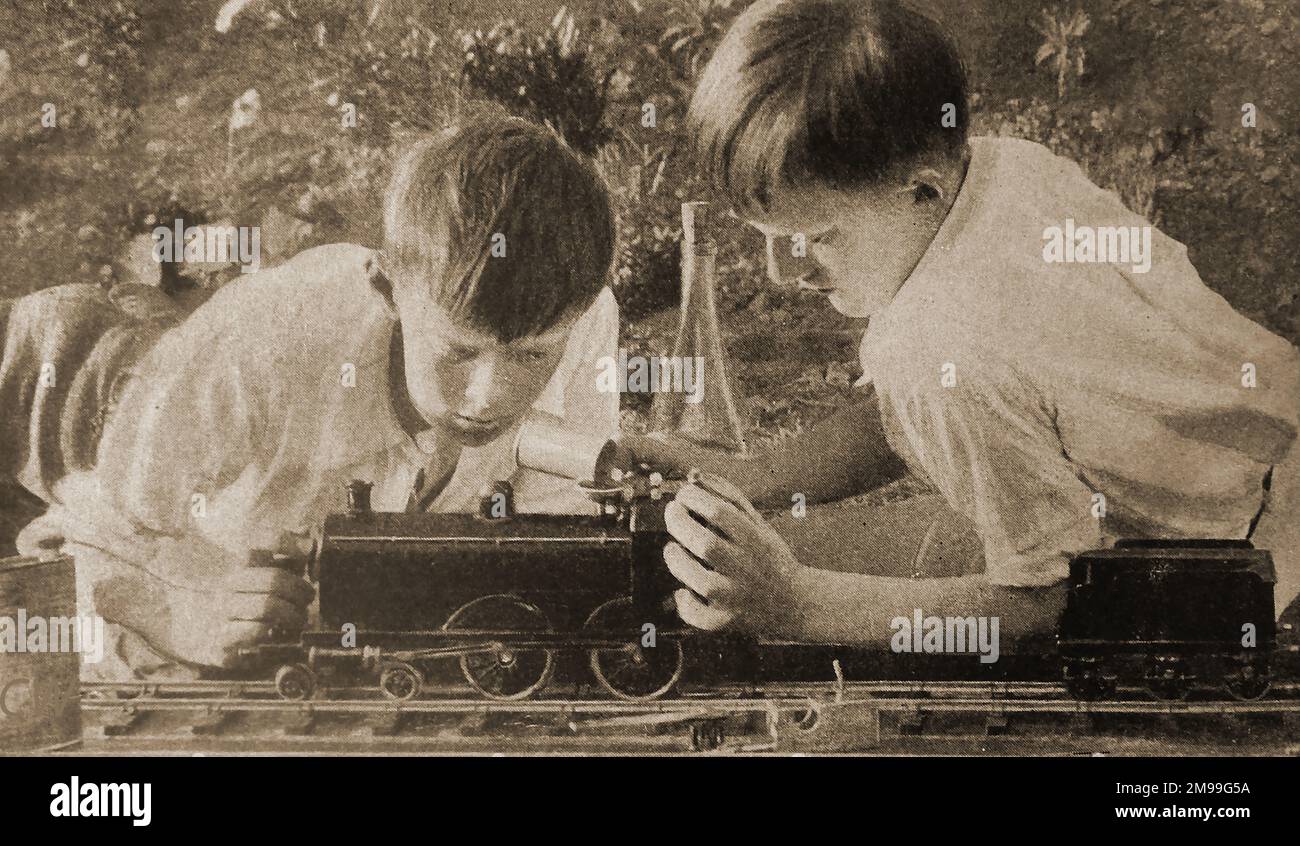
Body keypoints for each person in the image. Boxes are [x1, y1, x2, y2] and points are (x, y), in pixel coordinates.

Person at [624, 0, 1300, 646]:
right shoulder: (1007, 169)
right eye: (765, 236)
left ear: (922, 190)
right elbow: (933, 398)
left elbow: (1045, 595)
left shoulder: (937, 345)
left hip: (1257, 573)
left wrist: (799, 604)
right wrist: (760, 475)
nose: (781, 271)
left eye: (817, 237)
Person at [6, 108, 620, 678]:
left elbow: (555, 555)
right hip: (77, 394)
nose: (487, 398)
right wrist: (174, 619)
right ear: (389, 289)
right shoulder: (263, 338)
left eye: (530, 356)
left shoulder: (582, 314)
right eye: (458, 351)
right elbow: (61, 556)